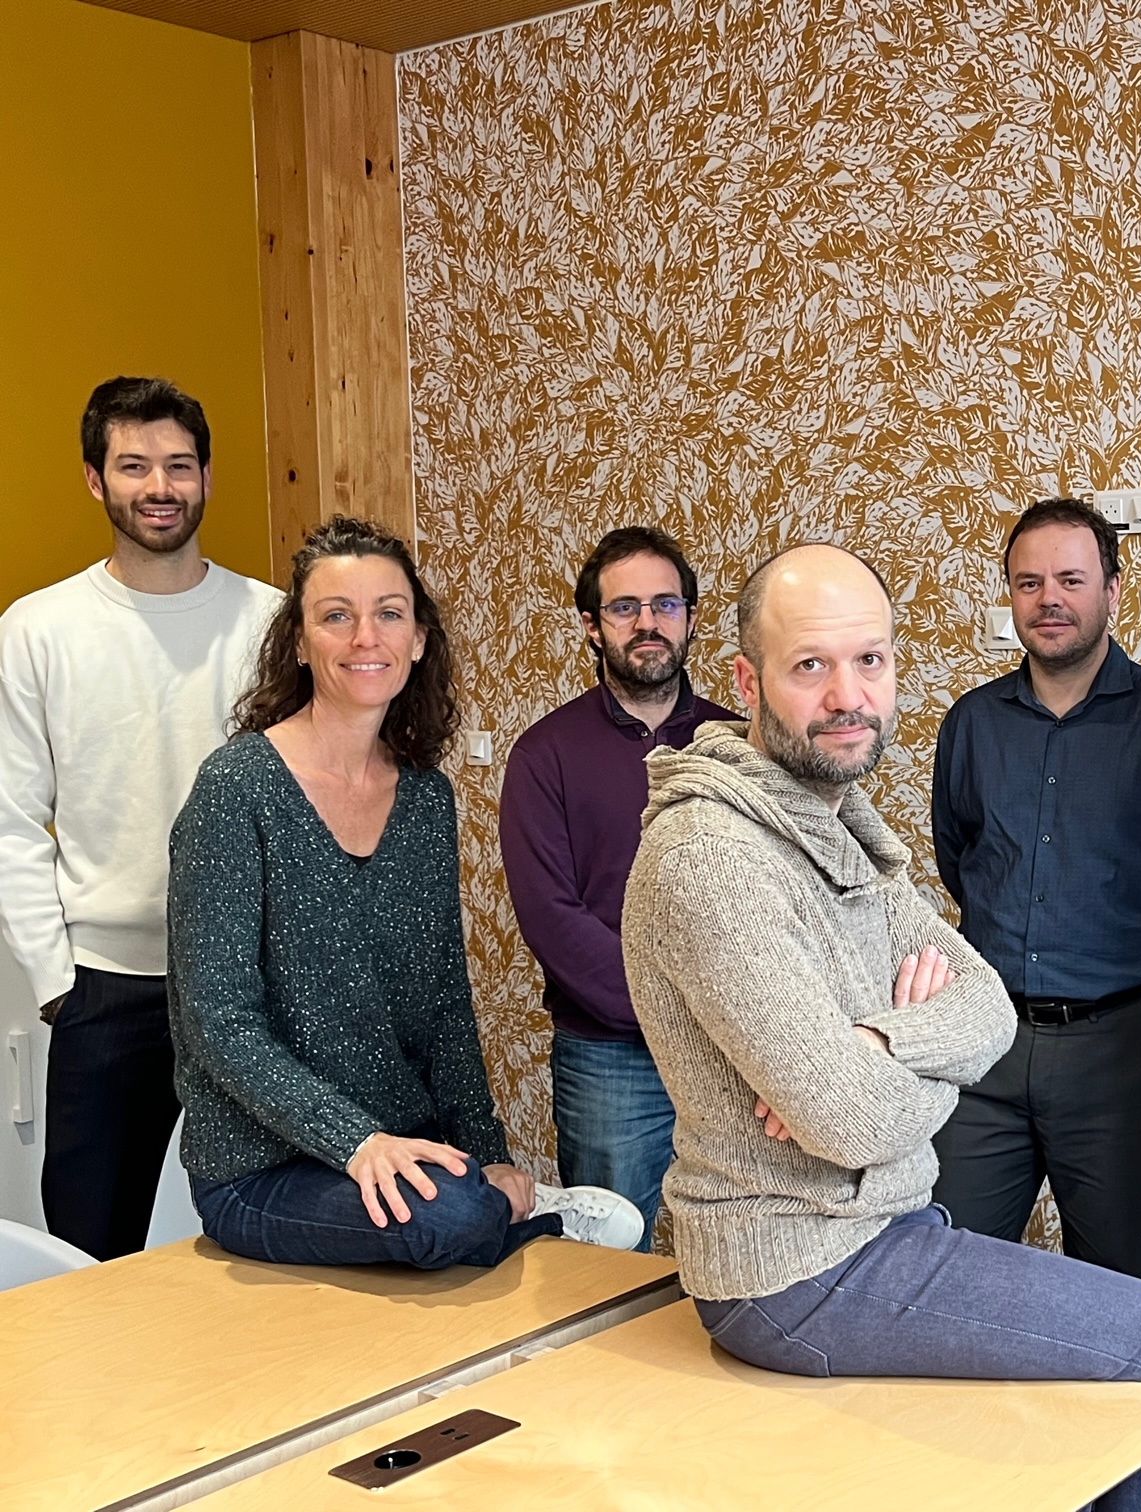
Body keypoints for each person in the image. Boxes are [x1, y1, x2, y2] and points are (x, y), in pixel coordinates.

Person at [622, 543, 1141, 1512]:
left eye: (871, 660)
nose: (848, 694)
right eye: (810, 665)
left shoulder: (834, 818)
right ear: (746, 681)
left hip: (878, 1229)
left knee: (1107, 1377)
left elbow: (983, 1005)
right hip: (799, 1270)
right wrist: (879, 1063)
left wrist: (875, 1045)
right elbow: (853, 1124)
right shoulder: (711, 857)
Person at [167, 516, 644, 1269]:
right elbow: (217, 1023)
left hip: (403, 1151)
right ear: (298, 641)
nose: (366, 638)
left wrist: (487, 1153)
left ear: (418, 639)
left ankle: (498, 1200)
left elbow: (442, 1004)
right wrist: (352, 1141)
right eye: (336, 616)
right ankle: (522, 1222)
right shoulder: (237, 790)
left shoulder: (425, 797)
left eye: (389, 613)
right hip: (263, 1172)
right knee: (445, 1218)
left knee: (456, 1196)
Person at [0, 378, 282, 1260]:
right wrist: (55, 981)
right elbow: (10, 817)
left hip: (248, 981)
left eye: (179, 465)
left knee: (257, 1237)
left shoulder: (269, 619)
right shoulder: (39, 629)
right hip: (103, 986)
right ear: (95, 480)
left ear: (205, 477)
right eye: (134, 466)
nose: (160, 486)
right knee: (94, 1242)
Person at [930, 498, 1141, 1280]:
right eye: (1028, 582)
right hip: (986, 1047)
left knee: (1111, 1291)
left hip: (1127, 1052)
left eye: (1071, 580)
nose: (1049, 599)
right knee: (949, 1273)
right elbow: (961, 862)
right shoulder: (972, 724)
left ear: (1113, 591)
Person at [500, 527, 733, 1247]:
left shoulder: (741, 745)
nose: (647, 622)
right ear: (592, 628)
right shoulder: (546, 753)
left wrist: (722, 1012)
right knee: (605, 1254)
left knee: (738, 1246)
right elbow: (551, 915)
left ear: (691, 618)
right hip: (609, 1057)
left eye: (665, 604)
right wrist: (662, 1005)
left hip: (730, 1049)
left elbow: (771, 896)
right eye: (624, 607)